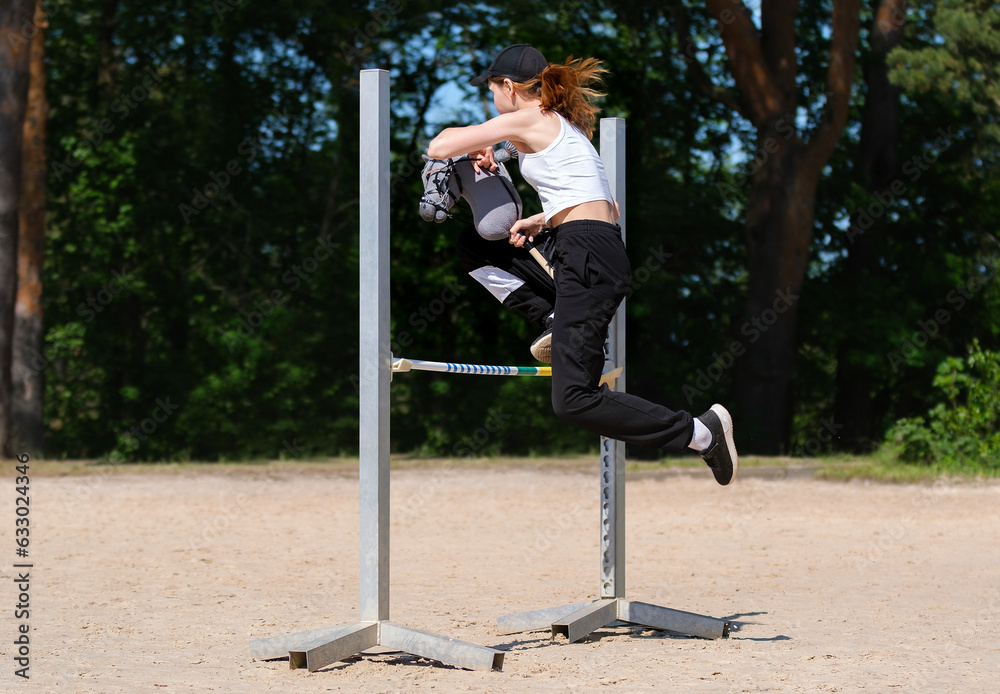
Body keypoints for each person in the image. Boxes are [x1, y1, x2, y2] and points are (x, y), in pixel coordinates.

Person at [427, 44, 738, 484]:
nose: (491, 97)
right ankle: (553, 317)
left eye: (492, 89)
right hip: (586, 246)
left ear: (509, 88)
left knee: (573, 399)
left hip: (586, 254)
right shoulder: (563, 127)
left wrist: (483, 140)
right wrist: (542, 218)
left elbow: (441, 145)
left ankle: (699, 433)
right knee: (476, 247)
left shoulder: (528, 117)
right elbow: (606, 204)